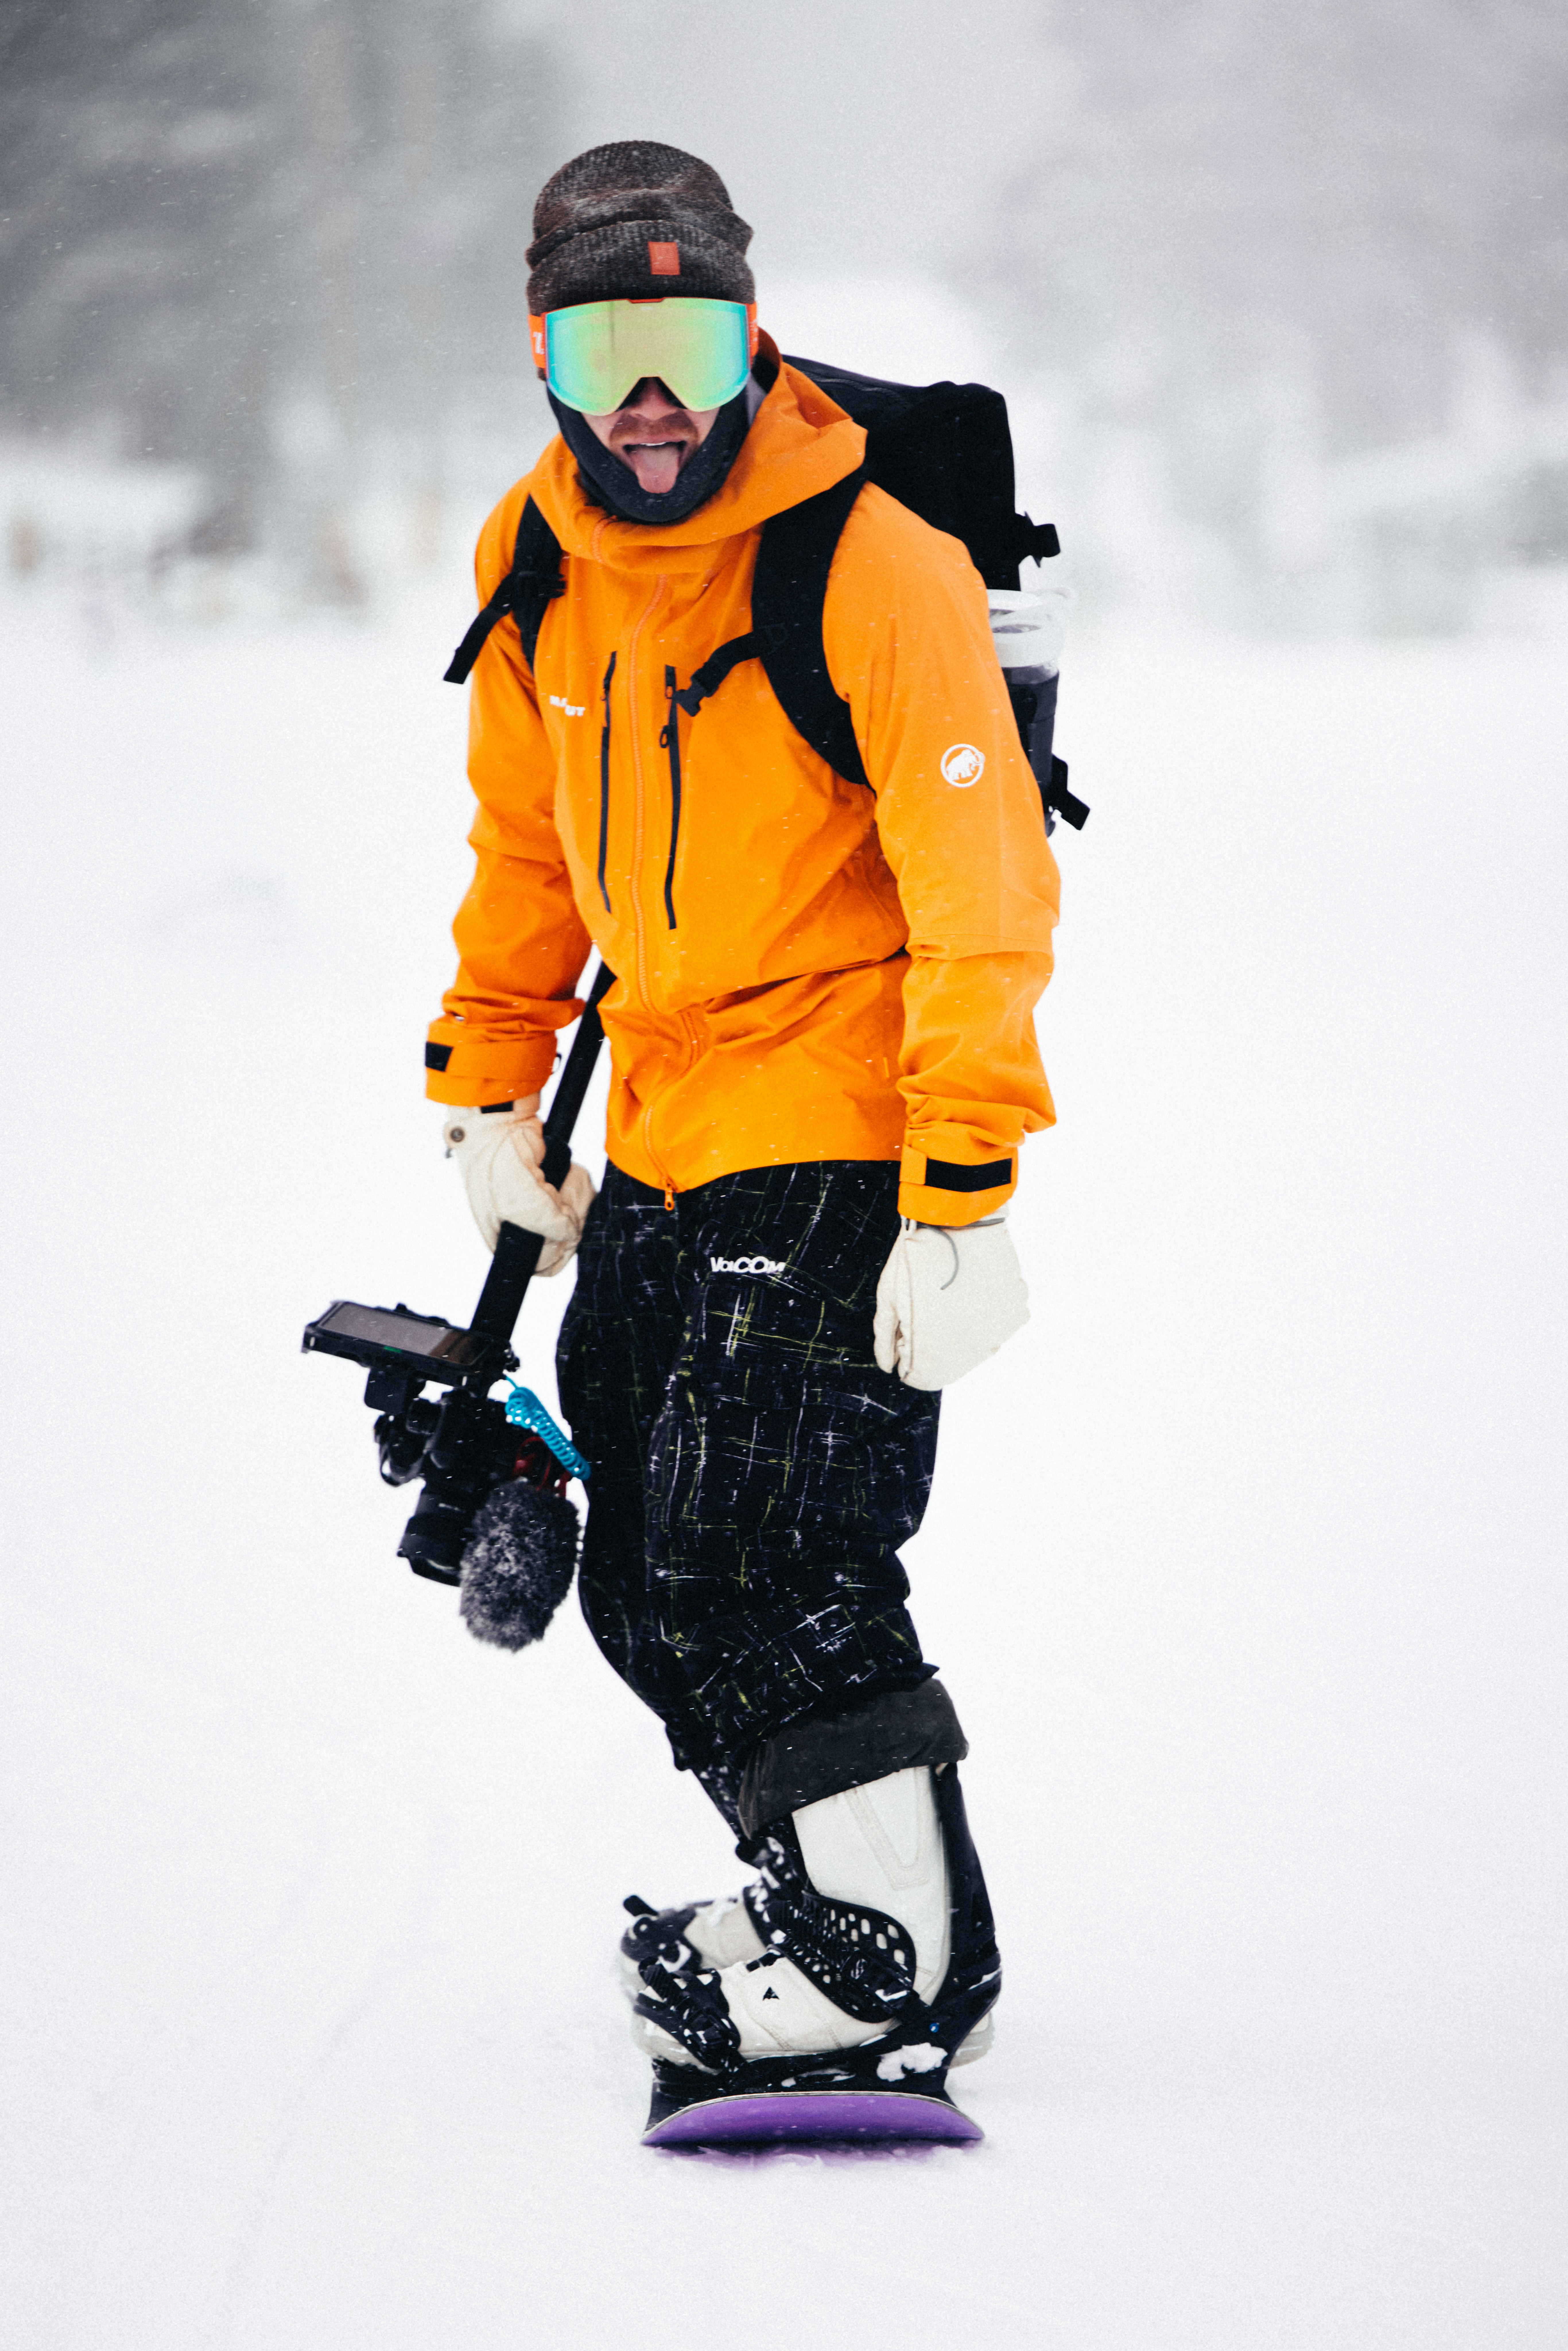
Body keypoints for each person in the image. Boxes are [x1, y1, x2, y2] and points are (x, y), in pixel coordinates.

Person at [425, 141, 1060, 2087]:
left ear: (748, 334)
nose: (649, 395)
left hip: (852, 1120)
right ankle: (817, 1891)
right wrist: (485, 1083)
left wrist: (962, 1189)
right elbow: (525, 854)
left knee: (761, 1549)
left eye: (687, 338)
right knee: (639, 1550)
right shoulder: (530, 559)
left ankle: (890, 1962)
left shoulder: (874, 562)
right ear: (542, 351)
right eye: (607, 339)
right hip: (668, 1125)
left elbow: (982, 887)